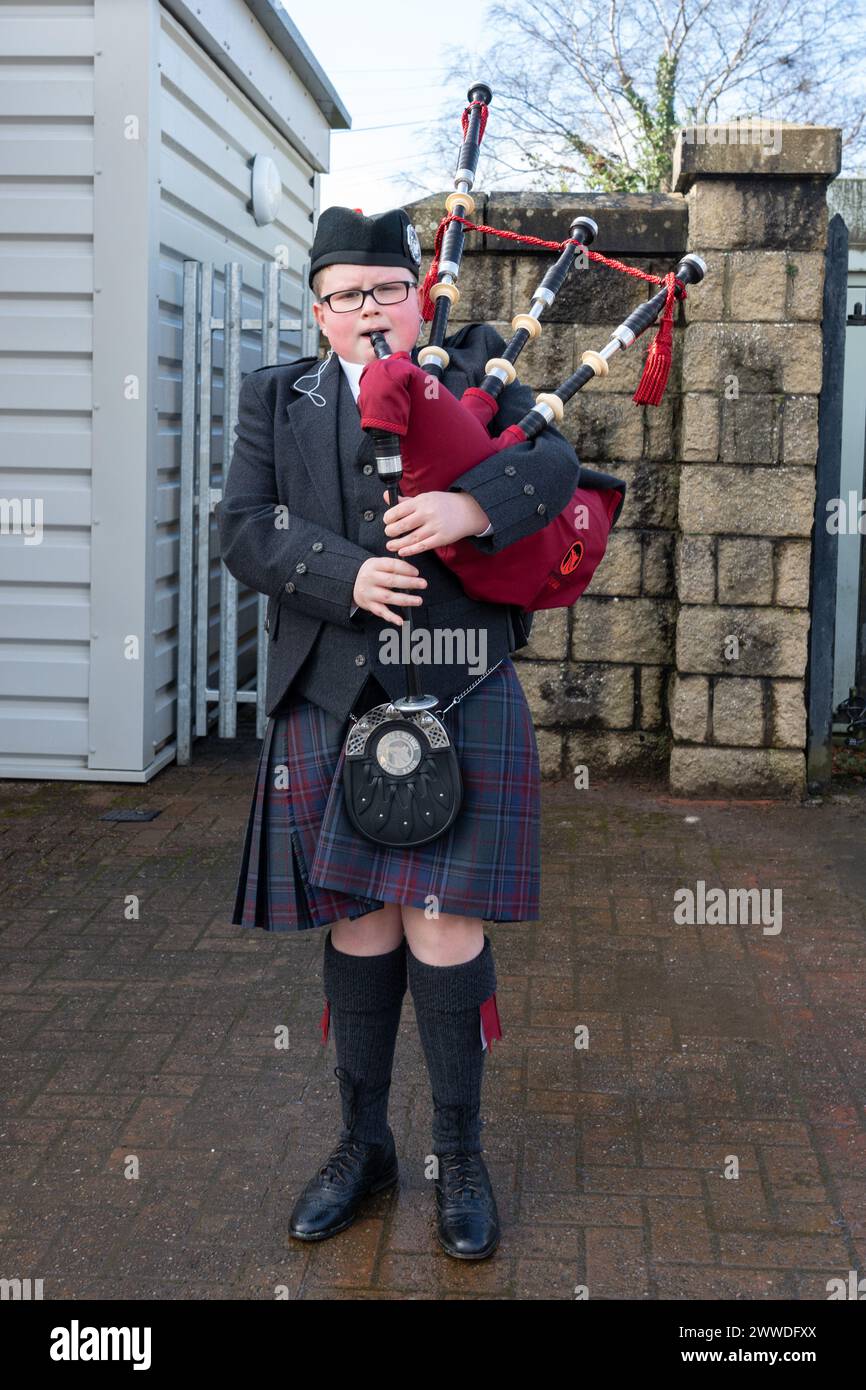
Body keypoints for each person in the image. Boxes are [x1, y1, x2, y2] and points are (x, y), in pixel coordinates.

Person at [216, 206, 581, 1261]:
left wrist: (475, 507)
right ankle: (361, 1144)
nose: (366, 311)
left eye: (384, 290)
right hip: (333, 687)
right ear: (319, 307)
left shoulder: (475, 368)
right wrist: (343, 574)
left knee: (442, 926)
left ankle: (458, 1155)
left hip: (458, 688)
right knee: (360, 924)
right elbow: (243, 524)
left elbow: (557, 470)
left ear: (414, 296)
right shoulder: (273, 395)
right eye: (345, 295)